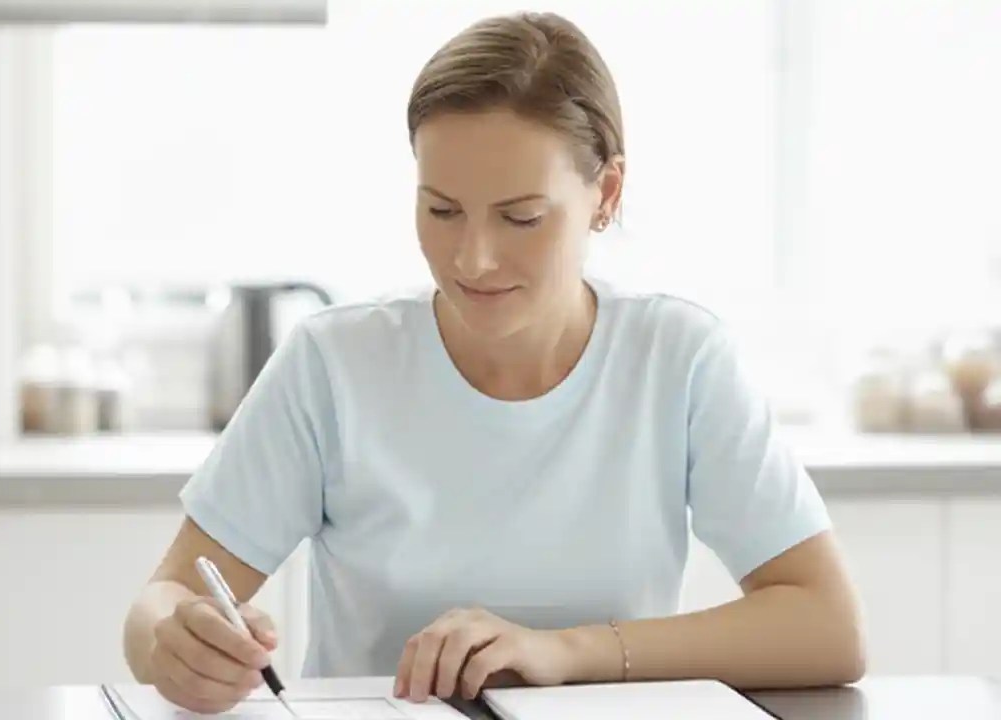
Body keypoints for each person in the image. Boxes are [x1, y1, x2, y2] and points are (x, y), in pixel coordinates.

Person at [123, 11, 865, 714]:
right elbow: (161, 602)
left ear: (605, 193)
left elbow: (826, 627)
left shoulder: (677, 361)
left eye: (521, 218)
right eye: (441, 210)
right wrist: (173, 642)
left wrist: (566, 651)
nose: (472, 258)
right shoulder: (334, 364)